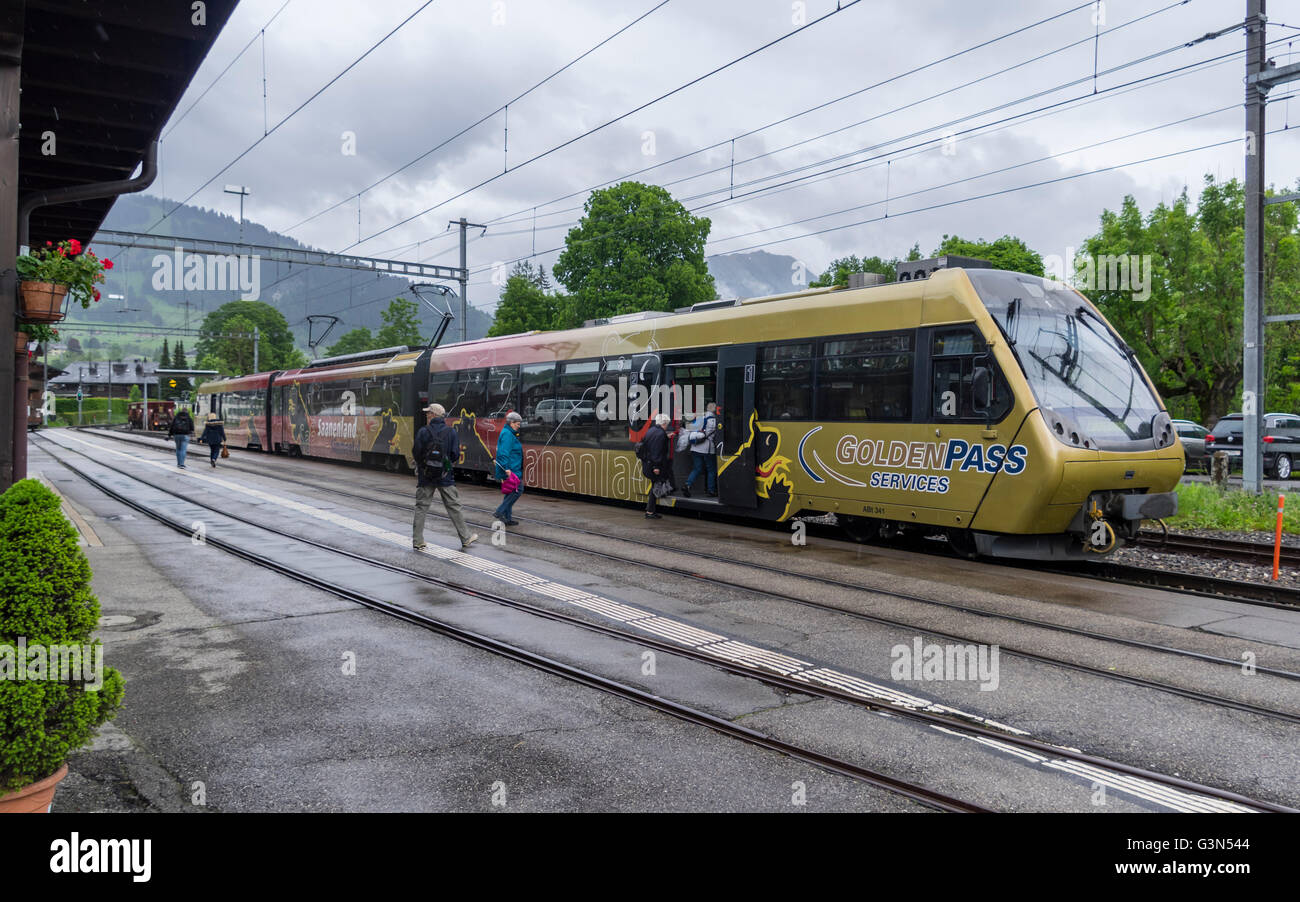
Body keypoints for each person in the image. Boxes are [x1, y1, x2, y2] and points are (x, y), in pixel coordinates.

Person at [412, 403, 478, 550]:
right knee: (454, 506)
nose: (426, 415)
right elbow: (455, 454)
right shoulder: (451, 432)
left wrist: (424, 466)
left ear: (434, 415)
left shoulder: (423, 431)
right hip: (445, 476)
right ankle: (466, 537)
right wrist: (444, 465)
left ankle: (418, 540)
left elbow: (416, 451)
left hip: (426, 476)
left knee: (421, 507)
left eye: (428, 413)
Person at [493, 411, 525, 526]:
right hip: (510, 469)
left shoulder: (509, 433)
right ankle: (500, 511)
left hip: (513, 468)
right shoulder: (507, 434)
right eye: (517, 423)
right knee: (518, 489)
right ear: (511, 423)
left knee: (511, 491)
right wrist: (506, 469)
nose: (519, 426)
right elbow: (503, 453)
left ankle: (507, 517)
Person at [681, 402, 718, 497]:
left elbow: (689, 428)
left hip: (695, 447)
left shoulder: (700, 418)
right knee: (711, 470)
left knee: (697, 468)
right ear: (715, 410)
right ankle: (711, 490)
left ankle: (687, 485)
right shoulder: (713, 420)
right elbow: (715, 434)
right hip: (707, 449)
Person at [641, 412, 672, 519]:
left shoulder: (651, 431)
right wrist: (656, 467)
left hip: (647, 464)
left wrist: (666, 437)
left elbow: (652, 444)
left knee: (655, 486)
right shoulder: (660, 434)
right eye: (667, 424)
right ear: (664, 423)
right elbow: (657, 451)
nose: (667, 426)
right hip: (653, 466)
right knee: (656, 487)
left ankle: (650, 510)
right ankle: (650, 512)